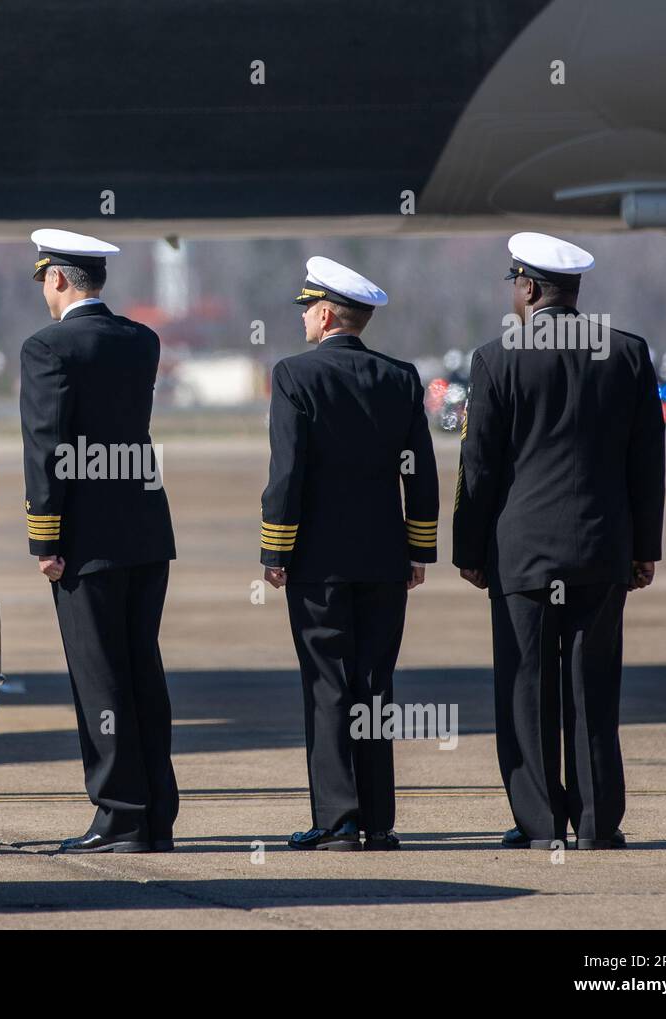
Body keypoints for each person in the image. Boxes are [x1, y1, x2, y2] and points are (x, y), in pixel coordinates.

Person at [452, 232, 666, 850]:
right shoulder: (628, 353)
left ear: (528, 287)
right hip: (602, 549)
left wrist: (469, 552)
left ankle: (540, 823)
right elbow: (646, 462)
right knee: (593, 688)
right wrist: (643, 546)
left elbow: (479, 468)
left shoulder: (497, 358)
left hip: (521, 554)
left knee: (527, 691)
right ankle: (598, 822)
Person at [261, 257, 438, 852]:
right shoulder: (401, 376)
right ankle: (379, 820)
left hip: (319, 560)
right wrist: (418, 549)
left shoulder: (294, 375)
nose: (304, 318)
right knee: (374, 685)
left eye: (308, 307)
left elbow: (286, 474)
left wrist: (275, 548)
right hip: (385, 557)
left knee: (328, 684)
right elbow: (422, 472)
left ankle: (337, 820)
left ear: (327, 312)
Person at [20, 228, 178, 853]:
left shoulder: (47, 347)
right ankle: (155, 814)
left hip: (86, 537)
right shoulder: (142, 340)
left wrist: (46, 536)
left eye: (44, 280)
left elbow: (47, 446)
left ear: (58, 279)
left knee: (100, 680)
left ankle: (118, 816)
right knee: (143, 671)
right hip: (143, 528)